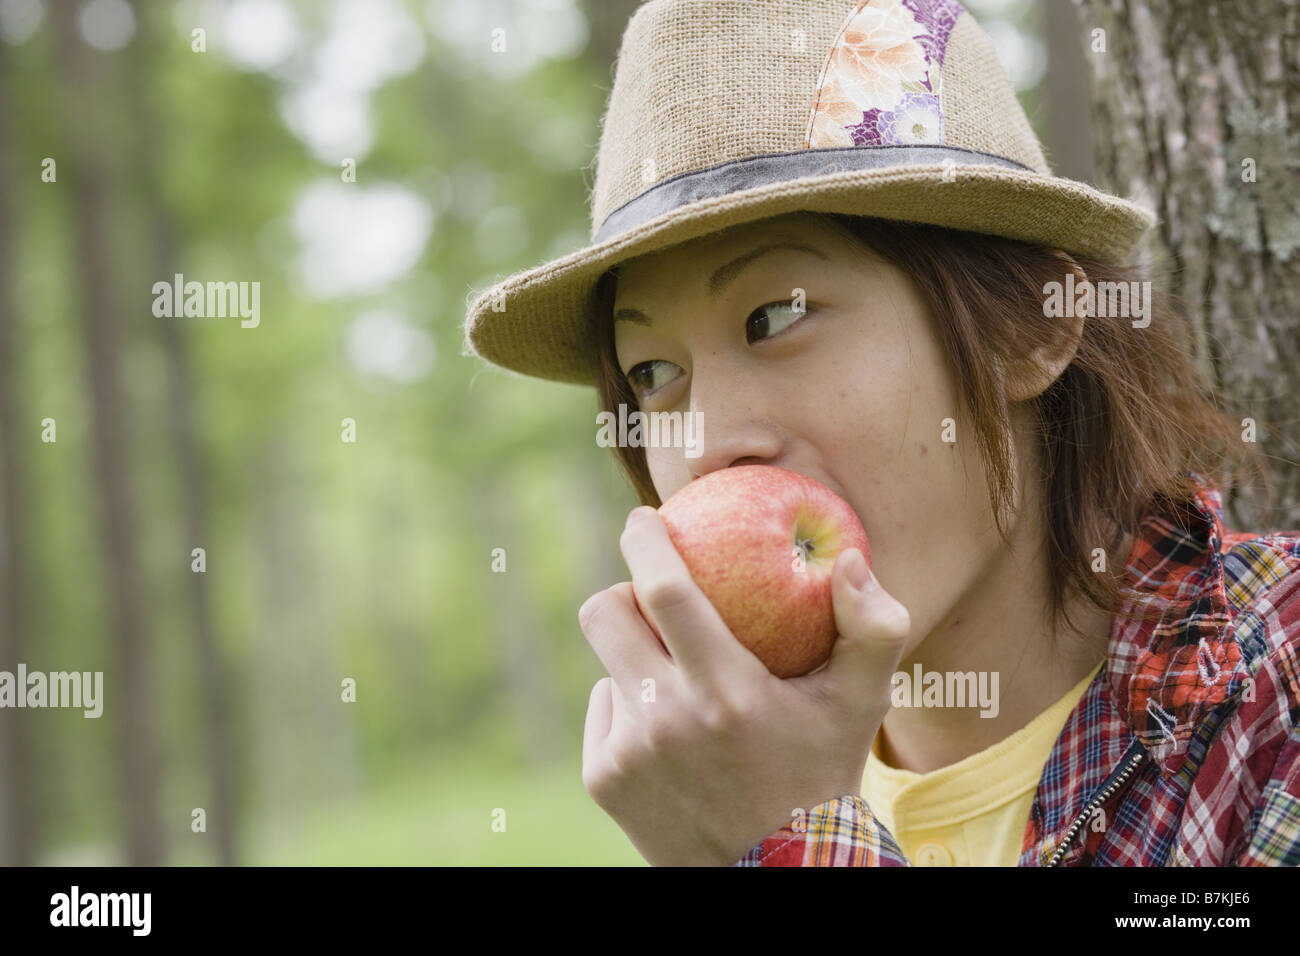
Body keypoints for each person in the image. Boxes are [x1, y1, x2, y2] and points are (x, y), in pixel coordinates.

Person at [462, 0, 1300, 866]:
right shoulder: (700, 782)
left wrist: (786, 842)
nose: (706, 449)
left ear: (1033, 328)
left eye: (774, 316)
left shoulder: (1274, 701)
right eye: (653, 374)